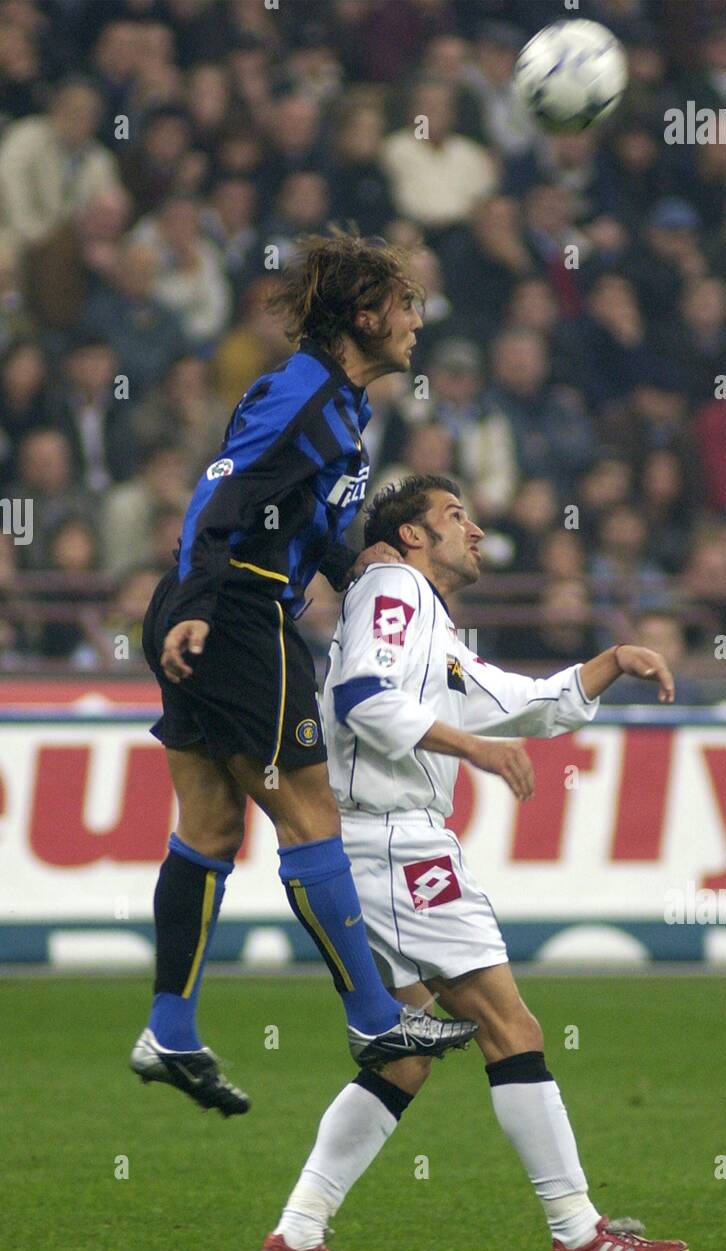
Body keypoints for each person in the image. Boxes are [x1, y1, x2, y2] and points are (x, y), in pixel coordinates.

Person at [256, 476, 689, 1251]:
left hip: (371, 844)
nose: (478, 530)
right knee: (510, 1024)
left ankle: (298, 1234)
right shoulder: (393, 588)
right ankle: (578, 1232)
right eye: (456, 516)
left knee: (404, 1057)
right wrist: (475, 751)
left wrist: (606, 663)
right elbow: (359, 700)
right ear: (413, 536)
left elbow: (516, 701)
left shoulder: (430, 620)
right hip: (395, 847)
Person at [131, 234, 478, 1118]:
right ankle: (373, 1018)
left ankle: (170, 1028)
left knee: (209, 827)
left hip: (220, 604)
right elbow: (225, 491)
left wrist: (347, 559)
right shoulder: (306, 391)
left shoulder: (342, 403)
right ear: (364, 316)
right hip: (238, 612)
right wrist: (203, 603)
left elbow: (293, 507)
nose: (415, 322)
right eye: (404, 306)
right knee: (309, 813)